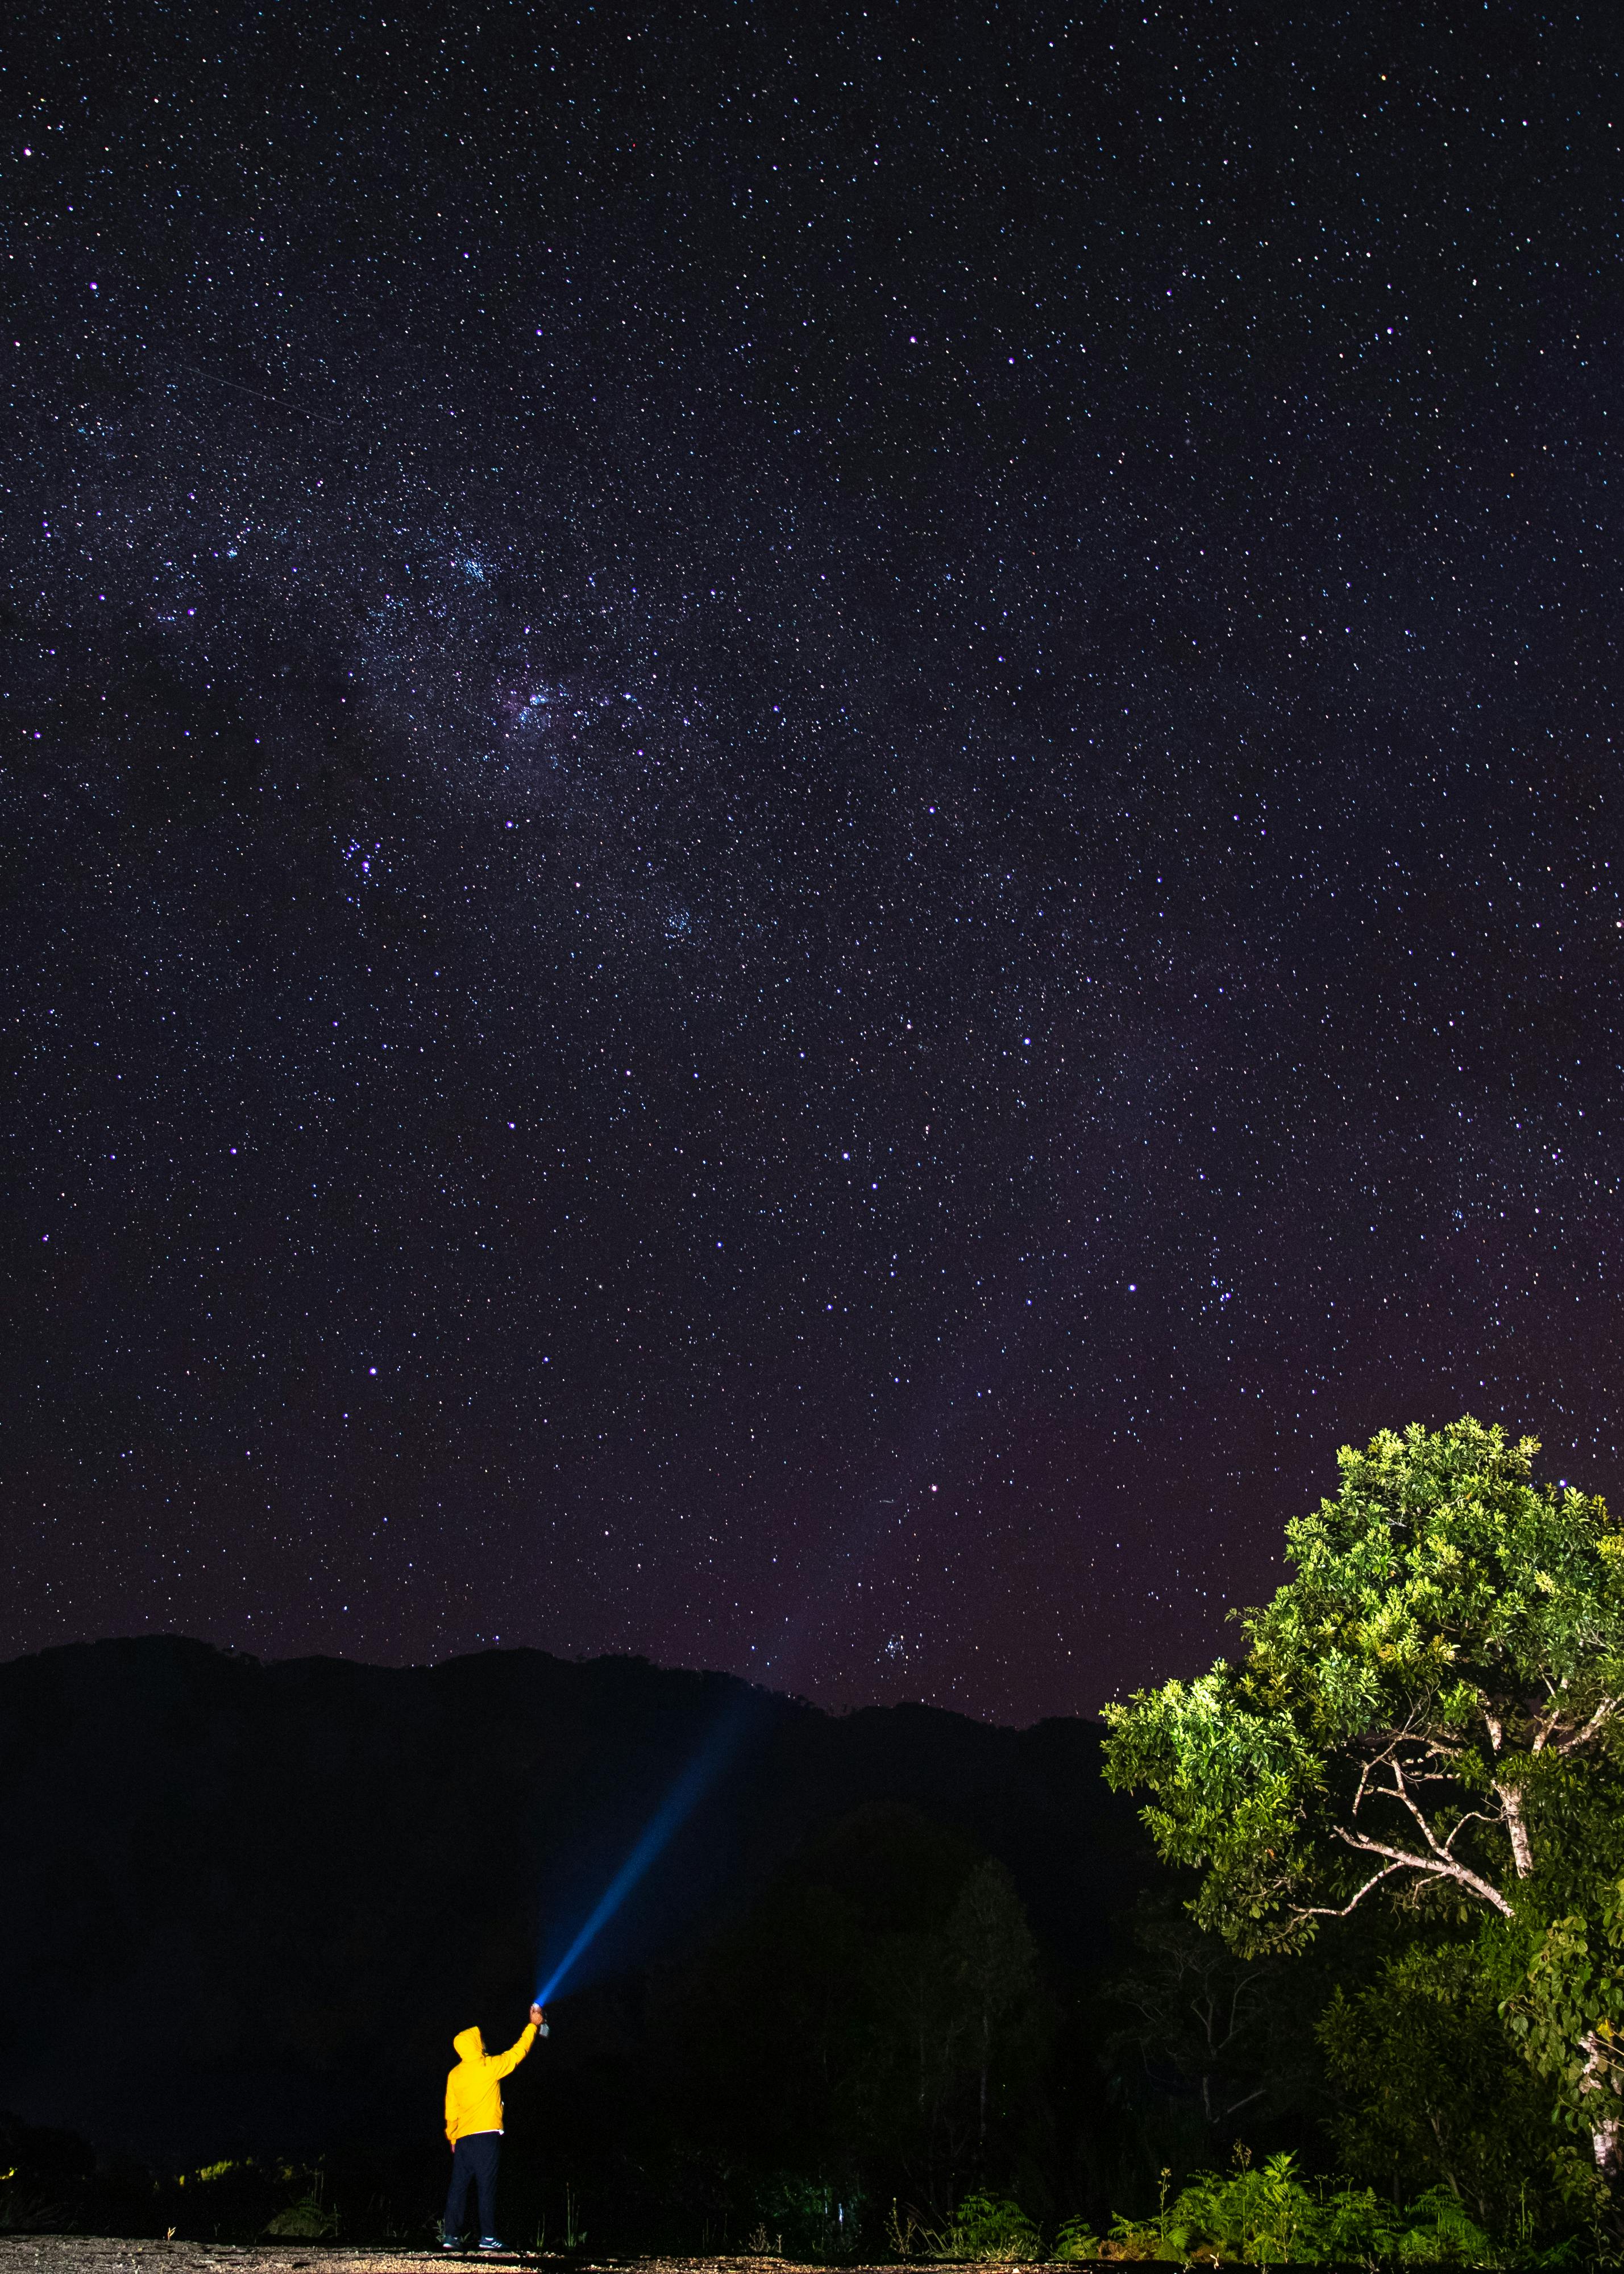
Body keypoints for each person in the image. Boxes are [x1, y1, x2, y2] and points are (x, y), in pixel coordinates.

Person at [442, 2001, 546, 2252]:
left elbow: (451, 2111)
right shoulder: (488, 2067)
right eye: (481, 2041)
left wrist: (453, 2138)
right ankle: (487, 2238)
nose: (484, 2043)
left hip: (464, 2140)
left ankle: (450, 2237)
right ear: (476, 2046)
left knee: (458, 2187)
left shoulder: (455, 2074)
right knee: (486, 2187)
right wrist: (533, 2027)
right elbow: (516, 2053)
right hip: (486, 2136)